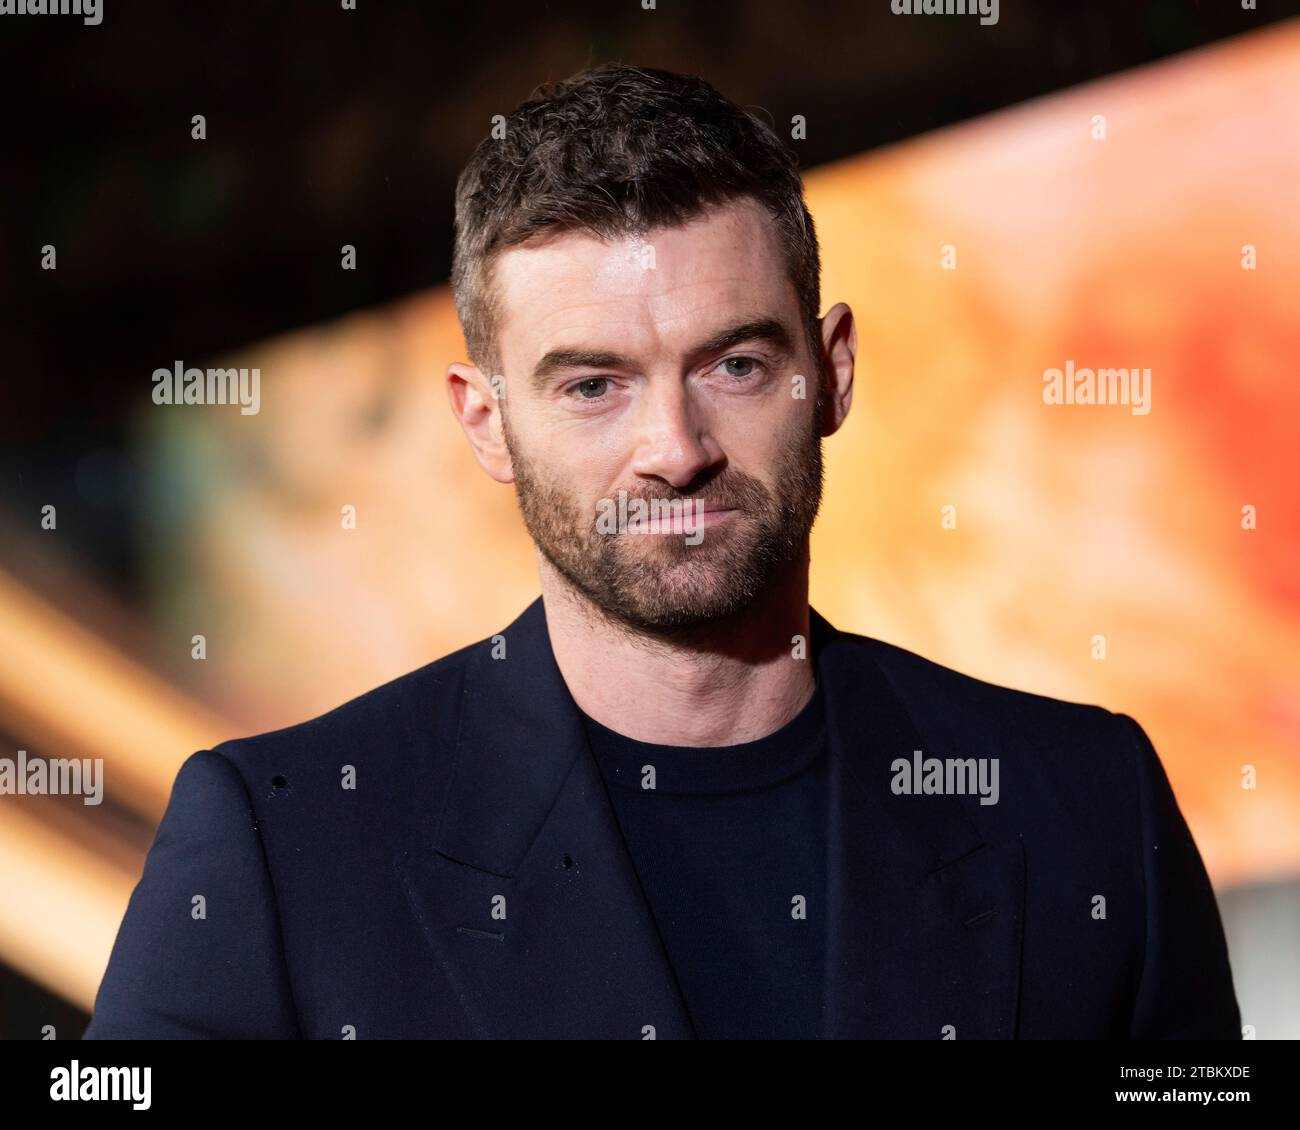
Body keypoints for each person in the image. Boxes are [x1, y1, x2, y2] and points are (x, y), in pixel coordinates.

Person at [83, 62, 1240, 1040]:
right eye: (593, 385)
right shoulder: (283, 847)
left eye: (733, 365)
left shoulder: (1083, 808)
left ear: (830, 369)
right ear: (484, 420)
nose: (673, 450)